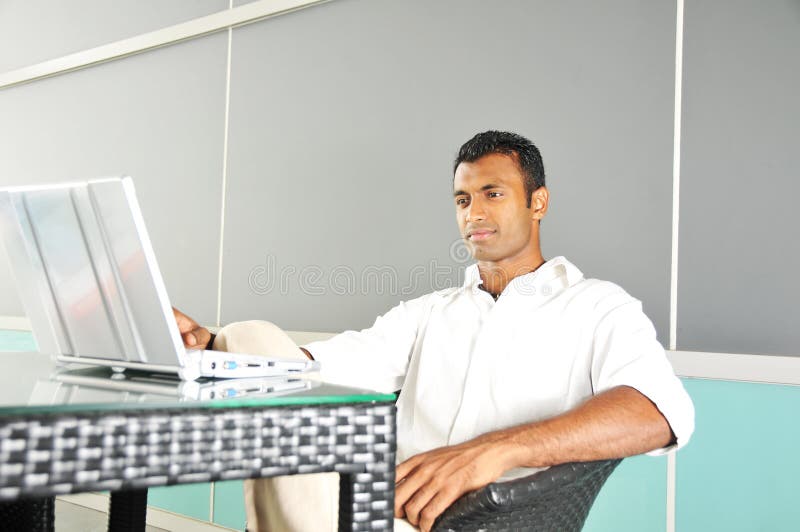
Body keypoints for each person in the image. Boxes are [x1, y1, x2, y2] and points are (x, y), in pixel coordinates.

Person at [173, 131, 695, 532]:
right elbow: (316, 366)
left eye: (493, 193)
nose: (475, 214)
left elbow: (658, 413)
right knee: (255, 339)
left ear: (539, 202)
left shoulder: (596, 306)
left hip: (495, 520)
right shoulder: (430, 313)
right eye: (463, 200)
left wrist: (494, 450)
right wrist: (217, 343)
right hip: (385, 515)